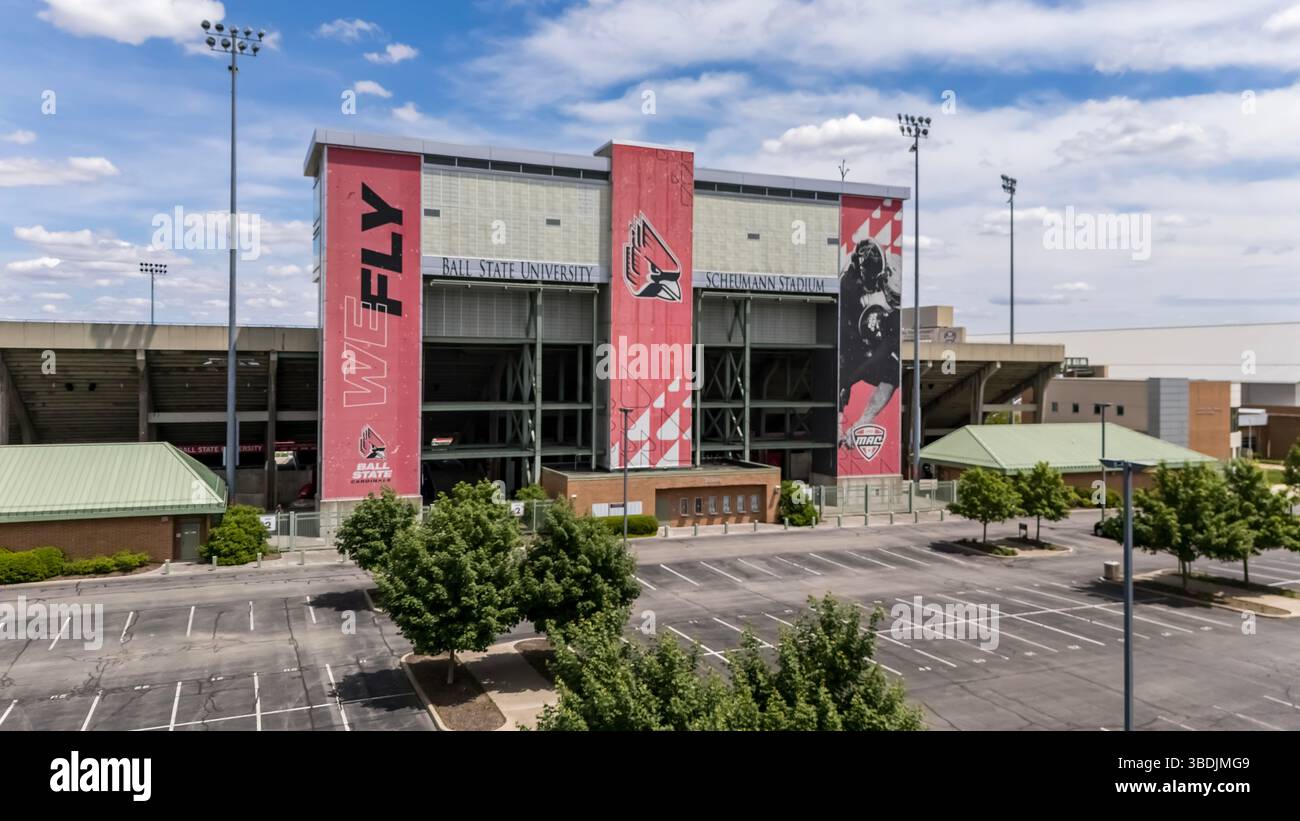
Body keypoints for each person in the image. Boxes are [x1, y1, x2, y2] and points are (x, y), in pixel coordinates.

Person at [838, 238, 901, 449]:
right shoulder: (847, 283)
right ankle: (837, 421)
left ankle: (864, 420)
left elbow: (891, 341)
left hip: (879, 327)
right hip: (853, 328)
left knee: (894, 370)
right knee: (839, 364)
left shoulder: (892, 270)